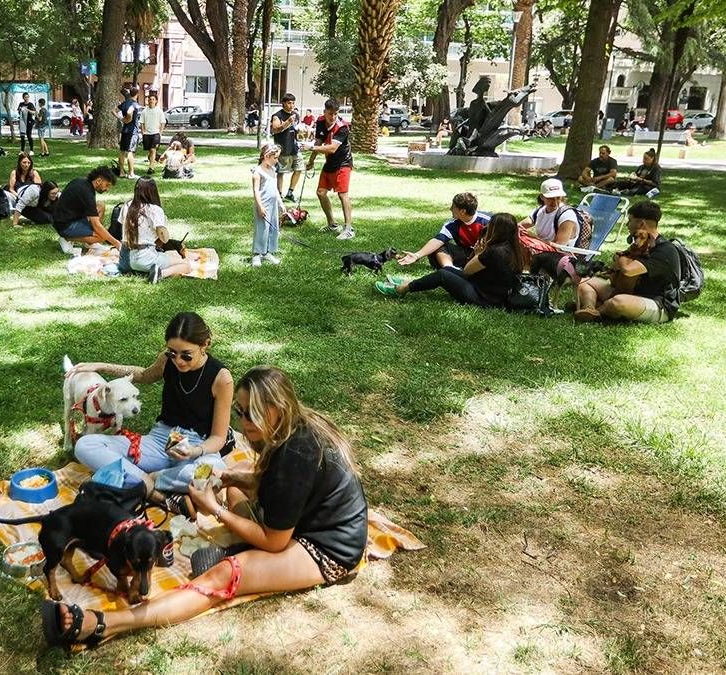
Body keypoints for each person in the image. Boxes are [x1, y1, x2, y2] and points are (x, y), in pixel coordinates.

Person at [45, 364, 368, 648]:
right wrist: (232, 479)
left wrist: (214, 508)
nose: (242, 423)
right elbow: (275, 484)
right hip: (298, 521)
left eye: (251, 413)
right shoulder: (290, 429)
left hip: (326, 548)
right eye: (240, 412)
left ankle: (102, 623)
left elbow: (276, 540)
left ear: (278, 408)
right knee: (232, 492)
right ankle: (243, 549)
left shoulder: (296, 457)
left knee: (222, 576)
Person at [72, 312, 235, 509]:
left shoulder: (221, 378)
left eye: (186, 355)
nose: (179, 361)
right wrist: (101, 366)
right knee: (85, 445)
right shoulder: (167, 361)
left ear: (205, 344)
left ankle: (148, 479)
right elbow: (142, 375)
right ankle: (154, 490)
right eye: (172, 353)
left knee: (214, 473)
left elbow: (218, 437)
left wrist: (194, 451)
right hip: (161, 440)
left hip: (197, 446)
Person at [375, 213, 529, 307]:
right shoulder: (515, 249)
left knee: (443, 275)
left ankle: (402, 289)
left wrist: (478, 253)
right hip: (494, 294)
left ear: (496, 230)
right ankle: (408, 282)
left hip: (484, 298)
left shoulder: (494, 252)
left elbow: (468, 270)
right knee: (448, 270)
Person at [575, 201, 680, 324]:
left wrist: (620, 256)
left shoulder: (665, 250)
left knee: (618, 302)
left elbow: (628, 270)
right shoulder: (639, 245)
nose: (627, 225)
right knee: (582, 281)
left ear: (641, 224)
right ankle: (589, 308)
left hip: (658, 304)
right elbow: (616, 277)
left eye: (630, 220)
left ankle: (598, 311)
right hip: (630, 293)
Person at [373, 193, 488, 296]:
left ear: (462, 211)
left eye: (453, 207)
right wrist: (417, 255)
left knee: (442, 274)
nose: (450, 209)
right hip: (467, 254)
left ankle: (406, 286)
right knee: (436, 249)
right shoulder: (453, 224)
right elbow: (438, 240)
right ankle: (450, 268)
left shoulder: (488, 222)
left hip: (484, 258)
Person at [117, 177, 193, 283]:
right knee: (186, 265)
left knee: (164, 257)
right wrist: (163, 222)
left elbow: (122, 225)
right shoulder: (154, 210)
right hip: (142, 258)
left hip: (124, 259)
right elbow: (165, 239)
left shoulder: (127, 205)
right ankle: (160, 274)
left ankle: (148, 271)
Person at [307, 98, 355, 240]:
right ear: (324, 112)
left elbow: (333, 148)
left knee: (342, 195)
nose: (333, 117)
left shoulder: (342, 127)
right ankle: (332, 224)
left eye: (335, 113)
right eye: (330, 113)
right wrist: (311, 161)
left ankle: (348, 228)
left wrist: (311, 147)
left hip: (343, 163)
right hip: (330, 162)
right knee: (321, 193)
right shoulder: (320, 122)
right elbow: (319, 142)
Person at [50, 166, 120, 255]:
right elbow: (96, 225)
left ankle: (89, 243)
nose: (107, 189)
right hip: (64, 225)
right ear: (98, 181)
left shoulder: (82, 182)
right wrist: (116, 243)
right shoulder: (87, 193)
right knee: (102, 237)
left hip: (69, 217)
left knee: (100, 206)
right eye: (107, 185)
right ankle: (66, 238)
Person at [251, 143, 287, 267]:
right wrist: (260, 207)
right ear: (267, 156)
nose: (277, 161)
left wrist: (280, 203)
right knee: (262, 229)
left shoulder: (272, 170)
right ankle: (257, 254)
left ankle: (267, 252)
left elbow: (275, 189)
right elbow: (256, 191)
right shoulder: (258, 172)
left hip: (273, 205)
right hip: (263, 205)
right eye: (275, 158)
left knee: (273, 228)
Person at [519, 178, 579, 246]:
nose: (555, 202)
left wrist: (534, 238)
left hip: (560, 254)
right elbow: (519, 227)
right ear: (542, 197)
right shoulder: (539, 211)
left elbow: (559, 247)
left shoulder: (567, 216)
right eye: (551, 198)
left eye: (558, 198)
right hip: (540, 249)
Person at [270, 93, 304, 201]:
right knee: (281, 172)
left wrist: (301, 133)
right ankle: (279, 195)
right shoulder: (277, 116)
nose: (292, 105)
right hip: (282, 147)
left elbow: (296, 130)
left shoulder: (295, 115)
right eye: (289, 103)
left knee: (299, 168)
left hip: (294, 148)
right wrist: (287, 122)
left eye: (293, 103)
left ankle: (290, 193)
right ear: (283, 103)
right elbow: (275, 129)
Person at [6, 152, 56, 226]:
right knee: (48, 219)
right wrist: (19, 196)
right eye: (24, 162)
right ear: (19, 162)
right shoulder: (14, 173)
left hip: (33, 199)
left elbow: (40, 190)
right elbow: (11, 189)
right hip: (18, 196)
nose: (26, 165)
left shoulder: (34, 174)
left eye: (28, 163)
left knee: (52, 215)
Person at [117, 86, 141, 179]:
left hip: (124, 130)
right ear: (137, 94)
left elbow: (113, 111)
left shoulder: (125, 103)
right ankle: (131, 173)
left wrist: (121, 118)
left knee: (122, 151)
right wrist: (128, 119)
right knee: (131, 151)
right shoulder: (134, 104)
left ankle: (121, 172)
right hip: (132, 131)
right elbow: (130, 111)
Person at [140, 93, 167, 175]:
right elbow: (142, 123)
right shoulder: (144, 111)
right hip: (147, 134)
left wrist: (160, 133)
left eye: (153, 99)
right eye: (150, 99)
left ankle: (151, 167)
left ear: (156, 101)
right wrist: (143, 132)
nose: (151, 101)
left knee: (153, 150)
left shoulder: (159, 111)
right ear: (148, 101)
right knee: (150, 151)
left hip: (156, 134)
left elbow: (163, 122)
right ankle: (154, 158)